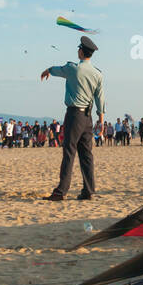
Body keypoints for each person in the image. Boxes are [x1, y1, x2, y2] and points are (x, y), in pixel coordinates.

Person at [40, 35, 104, 201]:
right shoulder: (97, 74)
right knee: (87, 154)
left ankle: (61, 191)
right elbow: (100, 98)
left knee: (69, 152)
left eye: (79, 49)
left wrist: (47, 70)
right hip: (88, 117)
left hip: (74, 115)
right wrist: (101, 120)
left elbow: (57, 70)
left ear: (82, 52)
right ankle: (89, 190)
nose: (78, 51)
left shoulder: (73, 68)